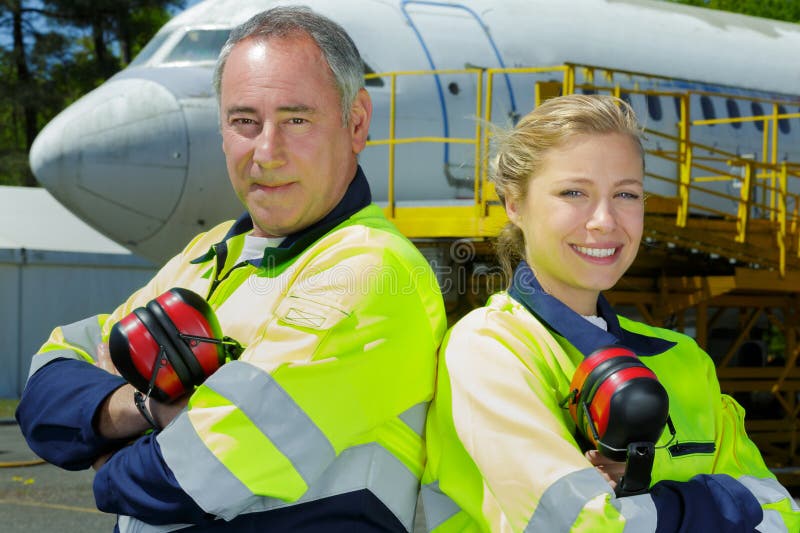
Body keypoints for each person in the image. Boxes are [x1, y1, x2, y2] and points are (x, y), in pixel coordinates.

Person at [16, 7, 446, 532]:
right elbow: (43, 391)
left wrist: (104, 452)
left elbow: (186, 476)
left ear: (355, 123)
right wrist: (147, 411)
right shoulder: (206, 253)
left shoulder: (370, 270)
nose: (267, 151)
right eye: (245, 120)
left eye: (296, 119)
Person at [420, 94, 799, 532]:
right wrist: (720, 502)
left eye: (626, 194)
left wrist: (649, 505)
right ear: (514, 204)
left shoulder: (684, 358)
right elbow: (589, 525)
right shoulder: (490, 351)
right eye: (573, 192)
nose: (604, 220)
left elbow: (783, 515)